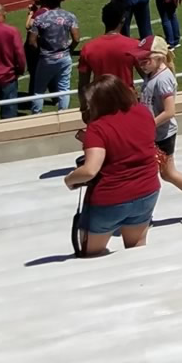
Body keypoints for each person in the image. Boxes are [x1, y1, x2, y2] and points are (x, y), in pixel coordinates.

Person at [65, 74, 162, 256]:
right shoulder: (143, 112)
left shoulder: (97, 128)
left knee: (92, 255)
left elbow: (90, 170)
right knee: (137, 249)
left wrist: (70, 179)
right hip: (147, 191)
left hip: (109, 199)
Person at [138, 42, 182, 223]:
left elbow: (169, 111)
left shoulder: (163, 79)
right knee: (161, 174)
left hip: (161, 135)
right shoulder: (152, 74)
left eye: (145, 59)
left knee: (163, 174)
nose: (141, 63)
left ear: (159, 58)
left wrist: (148, 125)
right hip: (154, 134)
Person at [78, 0, 144, 99]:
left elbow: (83, 85)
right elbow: (147, 75)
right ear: (123, 19)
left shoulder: (88, 48)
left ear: (103, 19)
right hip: (127, 99)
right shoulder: (134, 45)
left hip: (101, 101)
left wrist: (84, 107)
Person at [28, 0, 79, 114]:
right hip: (64, 57)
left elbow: (31, 41)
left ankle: (37, 115)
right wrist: (70, 50)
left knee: (39, 89)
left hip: (46, 58)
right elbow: (76, 39)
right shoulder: (69, 16)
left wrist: (40, 51)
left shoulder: (40, 18)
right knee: (64, 88)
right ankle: (63, 113)